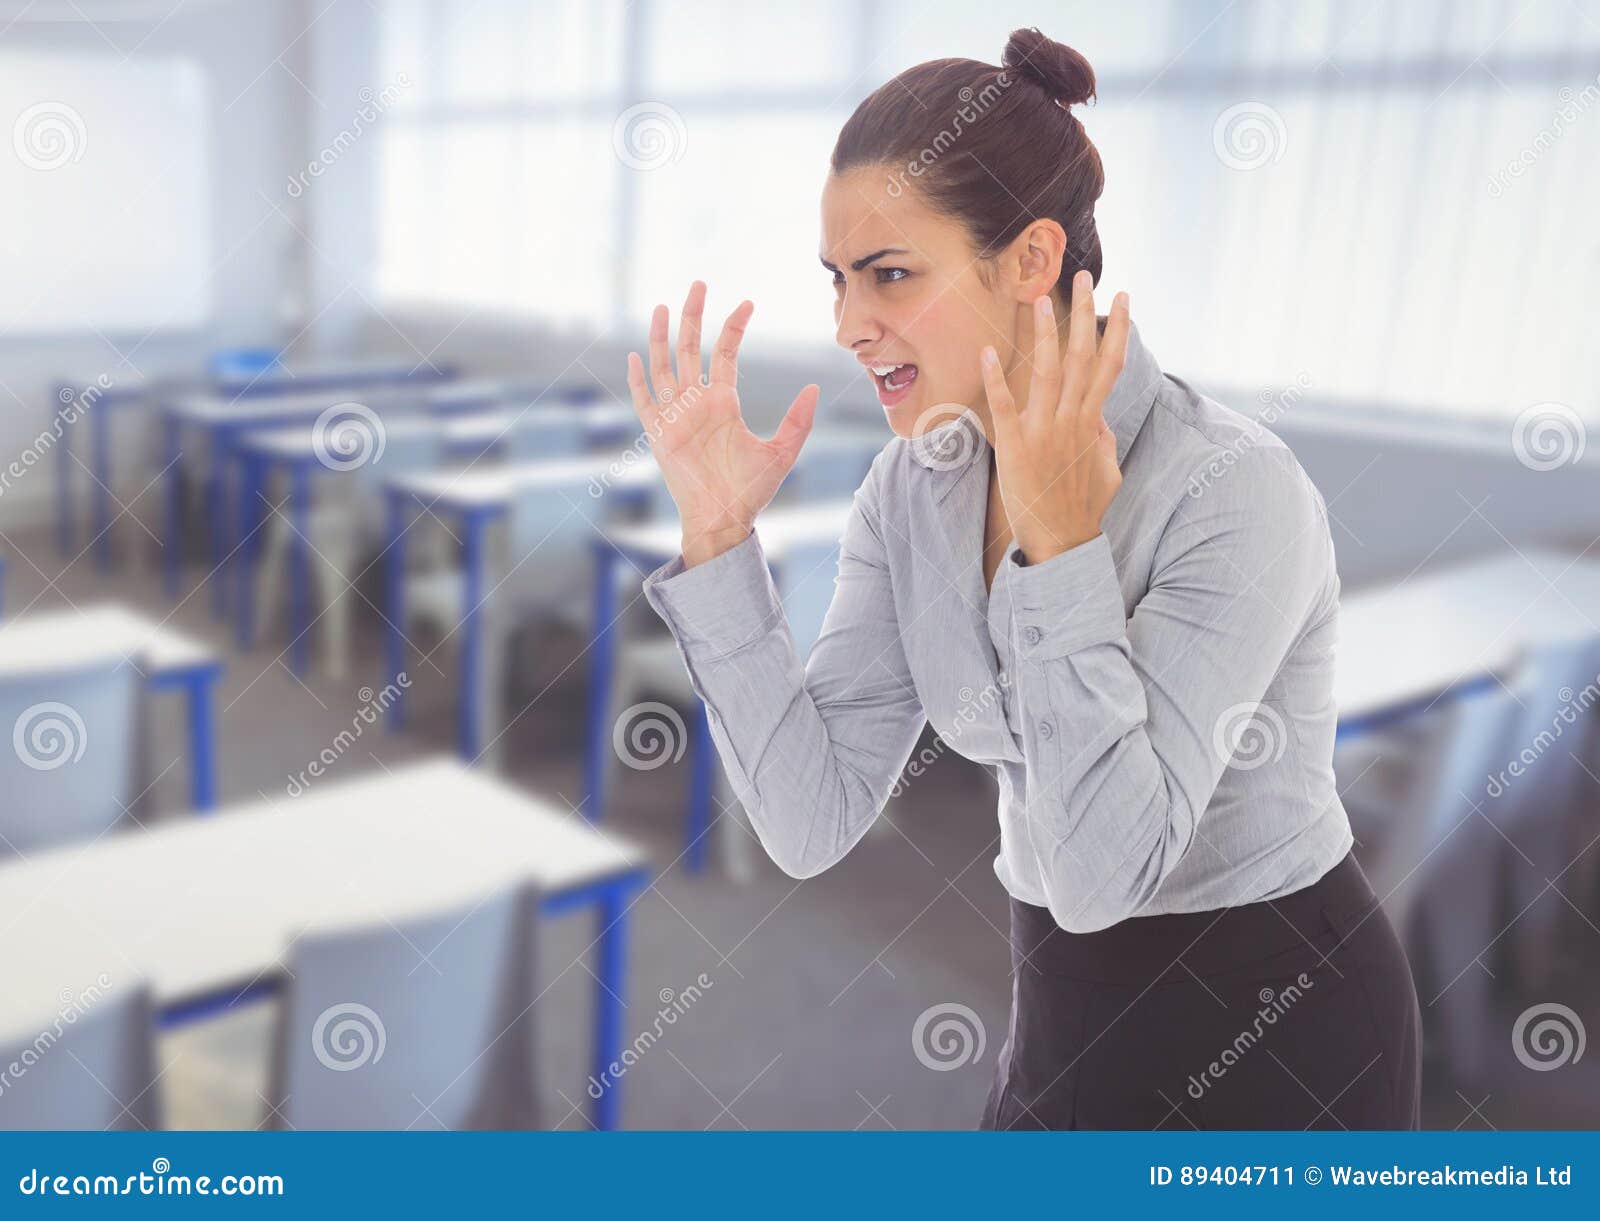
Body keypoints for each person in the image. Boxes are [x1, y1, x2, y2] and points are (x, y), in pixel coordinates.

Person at [624, 27, 1421, 1130]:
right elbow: (808, 820)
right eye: (839, 282)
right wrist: (716, 538)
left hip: (1279, 1029)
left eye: (890, 275)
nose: (850, 326)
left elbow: (1106, 876)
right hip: (1059, 1007)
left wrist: (1061, 554)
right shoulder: (913, 491)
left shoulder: (1230, 490)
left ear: (1033, 261)